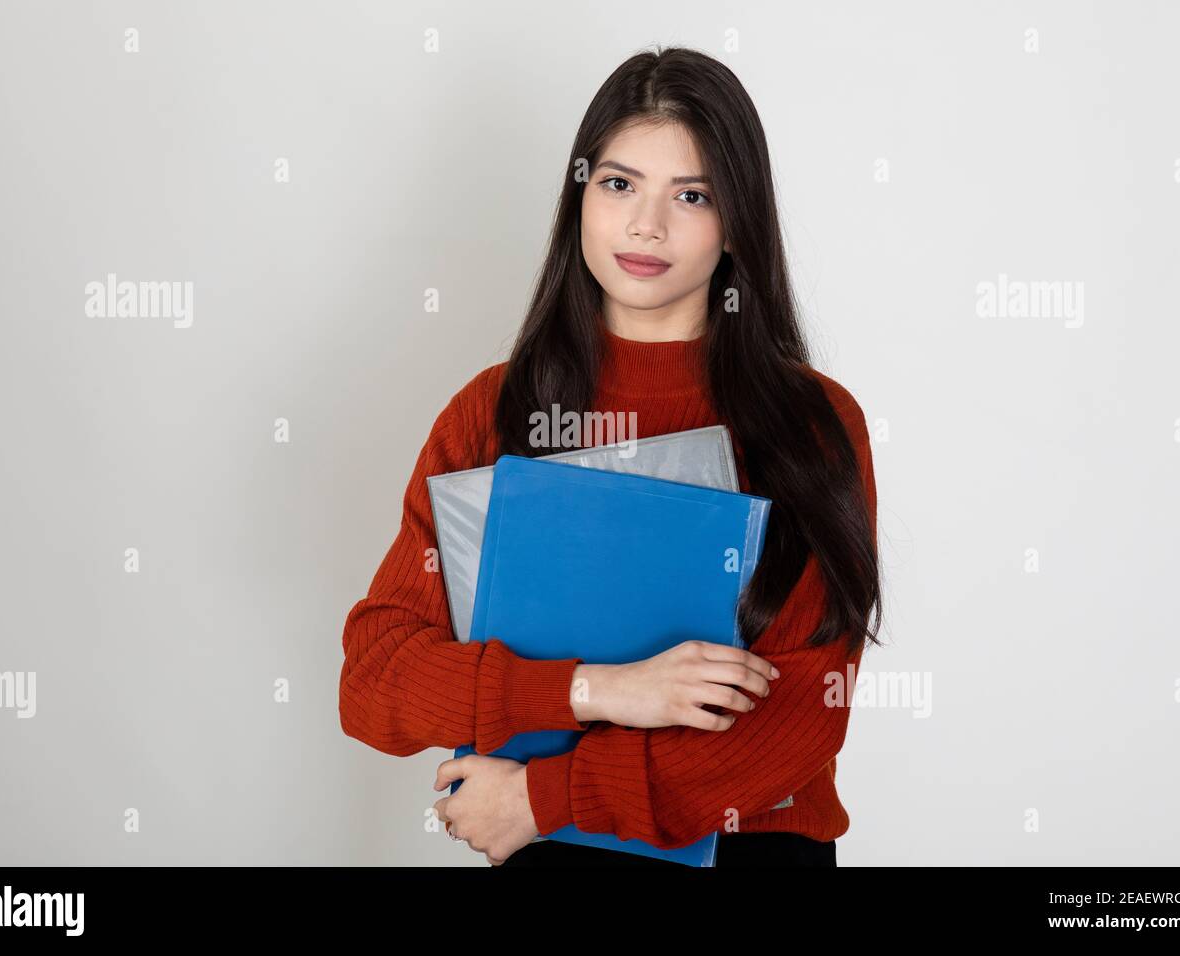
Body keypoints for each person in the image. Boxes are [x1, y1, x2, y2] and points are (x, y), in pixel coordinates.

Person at [340, 44, 882, 867]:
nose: (646, 224)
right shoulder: (492, 413)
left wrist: (541, 795)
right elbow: (375, 683)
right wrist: (594, 687)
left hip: (743, 852)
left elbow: (800, 719)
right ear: (581, 198)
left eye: (691, 195)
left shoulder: (811, 424)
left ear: (738, 222)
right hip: (548, 851)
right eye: (619, 184)